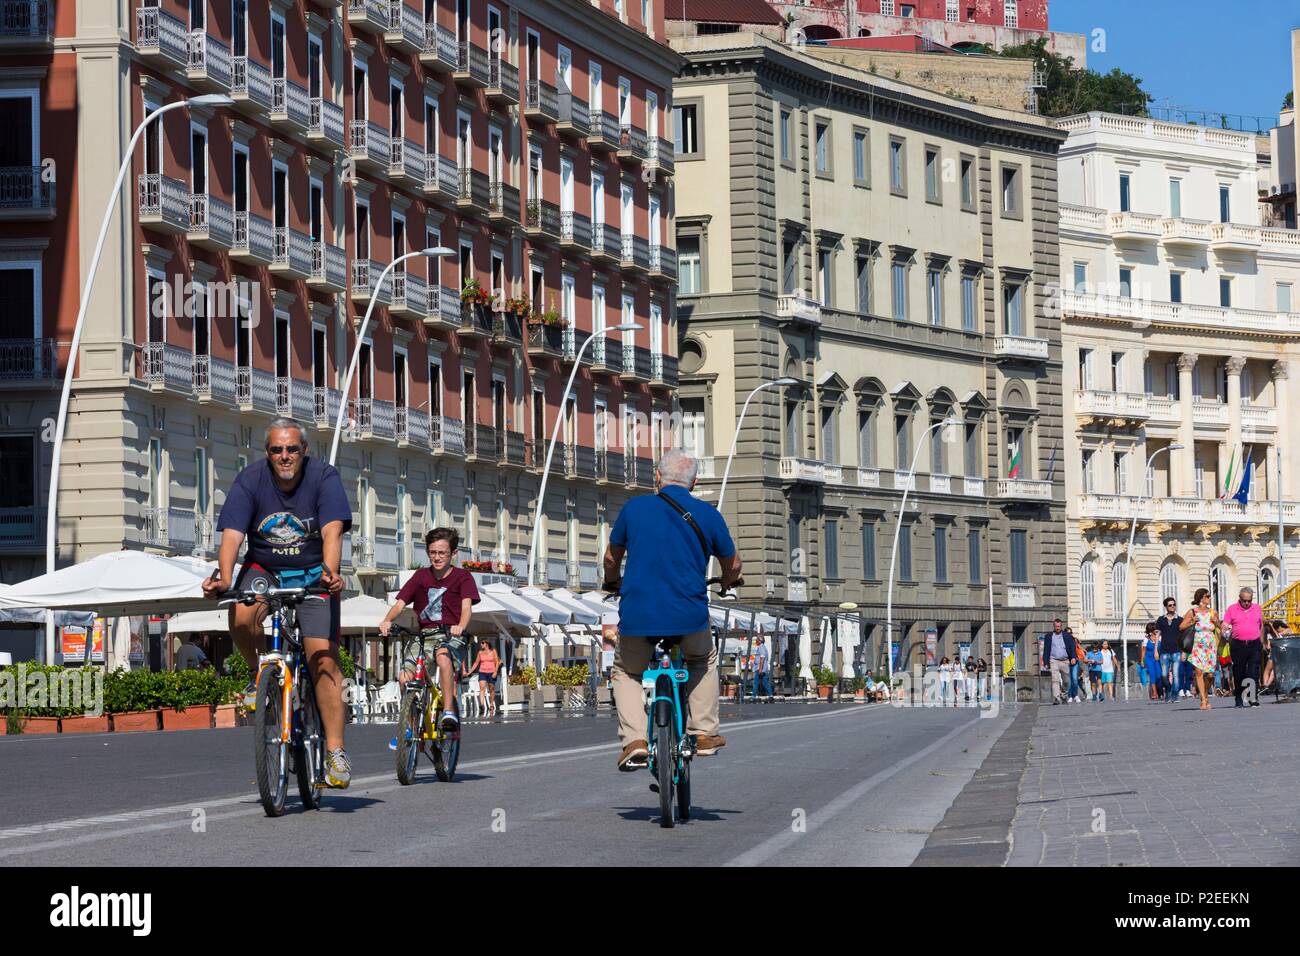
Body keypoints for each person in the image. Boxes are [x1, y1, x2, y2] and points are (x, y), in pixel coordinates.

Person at [202, 418, 352, 788]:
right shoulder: (250, 480)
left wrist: (330, 572)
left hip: (314, 572)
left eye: (291, 449)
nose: (284, 456)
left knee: (322, 658)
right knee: (241, 615)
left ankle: (335, 753)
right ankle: (262, 677)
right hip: (265, 566)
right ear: (267, 453)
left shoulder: (324, 477)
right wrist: (223, 576)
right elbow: (233, 535)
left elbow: (332, 530)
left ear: (304, 451)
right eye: (276, 450)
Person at [603, 450, 742, 771]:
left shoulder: (634, 508)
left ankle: (635, 741)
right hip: (689, 615)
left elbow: (612, 558)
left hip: (639, 614)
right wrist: (730, 582)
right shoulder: (708, 515)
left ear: (657, 477)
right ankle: (704, 732)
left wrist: (613, 582)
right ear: (694, 482)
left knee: (626, 671)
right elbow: (731, 563)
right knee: (702, 660)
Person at [379, 528, 481, 746]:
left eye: (442, 552)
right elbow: (399, 604)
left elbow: (467, 608)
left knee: (443, 656)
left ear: (453, 553)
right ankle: (409, 725)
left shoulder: (463, 577)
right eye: (432, 552)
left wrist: (460, 626)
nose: (436, 557)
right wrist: (387, 620)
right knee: (405, 676)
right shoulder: (420, 576)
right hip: (425, 634)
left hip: (451, 633)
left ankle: (448, 711)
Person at [1222, 587, 1264, 708]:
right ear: (1239, 599)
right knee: (1239, 672)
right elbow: (1225, 625)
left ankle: (1253, 698)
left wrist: (1262, 641)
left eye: (1249, 601)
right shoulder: (1232, 609)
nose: (1247, 603)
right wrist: (1224, 633)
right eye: (1244, 600)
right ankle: (1238, 698)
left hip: (1254, 644)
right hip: (1238, 645)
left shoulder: (1257, 608)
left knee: (1253, 672)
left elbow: (1261, 625)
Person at [1180, 588, 1220, 711]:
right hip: (1197, 644)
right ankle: (1203, 699)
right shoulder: (1192, 612)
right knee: (1198, 672)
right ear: (1201, 598)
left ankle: (1206, 693)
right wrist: (1192, 621)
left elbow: (1219, 627)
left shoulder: (1213, 612)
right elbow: (1181, 626)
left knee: (1210, 675)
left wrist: (1216, 622)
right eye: (1207, 596)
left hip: (1210, 645)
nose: (1209, 598)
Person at [1154, 597, 1183, 703]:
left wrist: (1183, 651)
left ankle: (1175, 695)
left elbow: (1183, 636)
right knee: (1164, 675)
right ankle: (1169, 689)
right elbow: (1157, 635)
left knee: (1176, 674)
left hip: (1176, 650)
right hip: (1164, 651)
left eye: (1174, 605)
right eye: (1170, 605)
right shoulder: (1161, 620)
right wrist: (1156, 650)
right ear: (1166, 607)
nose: (1173, 607)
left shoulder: (1180, 620)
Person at [1040, 618, 1075, 705]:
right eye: (1056, 626)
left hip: (1065, 660)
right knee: (1055, 679)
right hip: (1053, 660)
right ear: (1054, 626)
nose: (1058, 628)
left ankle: (1063, 694)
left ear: (1061, 626)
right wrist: (1046, 662)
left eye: (1059, 626)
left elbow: (1072, 647)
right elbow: (1046, 650)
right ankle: (1056, 698)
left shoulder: (1067, 635)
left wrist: (1073, 657)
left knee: (1066, 681)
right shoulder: (1049, 636)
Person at [469, 639, 501, 716]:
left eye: (482, 643)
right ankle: (482, 705)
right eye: (481, 643)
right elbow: (476, 663)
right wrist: (469, 672)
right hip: (482, 672)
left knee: (491, 689)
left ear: (487, 643)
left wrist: (495, 671)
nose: (481, 645)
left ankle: (491, 704)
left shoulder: (493, 651)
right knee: (482, 688)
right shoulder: (480, 653)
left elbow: (497, 662)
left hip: (491, 672)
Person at [1142, 622, 1163, 700]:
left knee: (1159, 675)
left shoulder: (1160, 638)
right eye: (1155, 629)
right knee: (1152, 675)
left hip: (1158, 659)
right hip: (1149, 659)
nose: (1157, 630)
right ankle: (1155, 693)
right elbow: (1143, 651)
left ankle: (1160, 690)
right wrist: (1142, 661)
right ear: (1151, 630)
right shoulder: (1146, 639)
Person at [751, 636, 773, 702]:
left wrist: (760, 669)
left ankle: (753, 697)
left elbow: (762, 658)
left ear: (760, 641)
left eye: (757, 640)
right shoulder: (762, 647)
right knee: (765, 682)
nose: (756, 641)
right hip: (763, 668)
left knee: (755, 683)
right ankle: (770, 695)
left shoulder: (761, 647)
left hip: (760, 669)